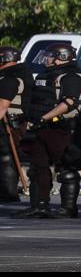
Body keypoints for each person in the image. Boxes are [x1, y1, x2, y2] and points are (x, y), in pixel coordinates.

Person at [12, 42, 81, 219]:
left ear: (61, 57)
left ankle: (68, 208)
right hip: (42, 127)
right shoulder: (44, 75)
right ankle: (39, 206)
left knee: (66, 169)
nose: (46, 59)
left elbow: (68, 103)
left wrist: (45, 117)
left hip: (63, 128)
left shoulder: (72, 76)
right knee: (37, 167)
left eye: (49, 55)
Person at [0, 47, 25, 204]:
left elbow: (2, 106)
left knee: (6, 156)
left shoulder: (10, 79)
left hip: (9, 123)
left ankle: (9, 193)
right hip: (8, 122)